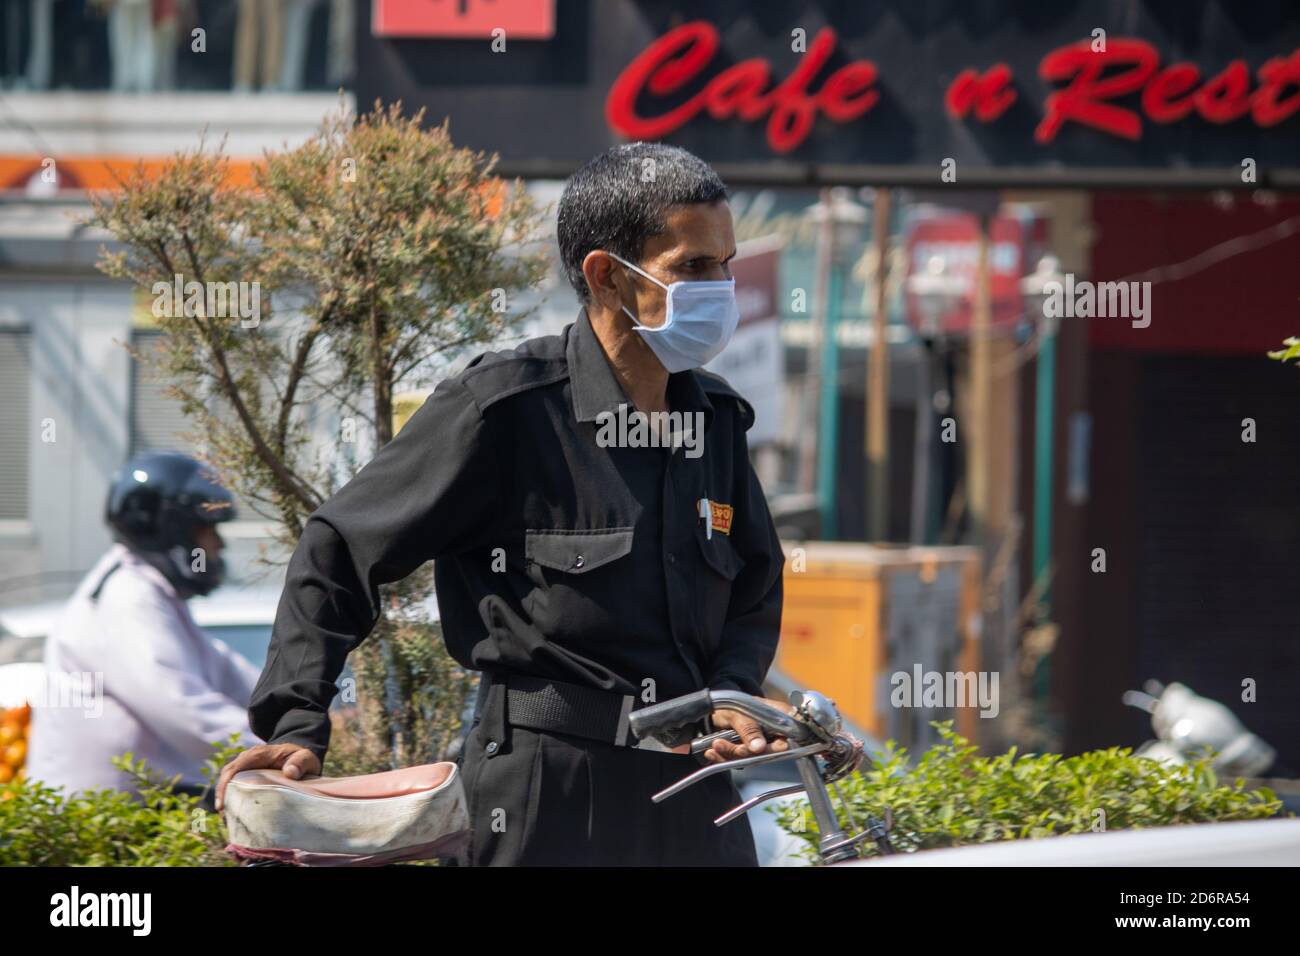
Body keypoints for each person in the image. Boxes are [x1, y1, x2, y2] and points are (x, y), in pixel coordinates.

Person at [217, 143, 789, 866]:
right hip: (545, 797)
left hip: (698, 793)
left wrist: (736, 690)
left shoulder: (716, 420)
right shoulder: (505, 409)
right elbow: (339, 546)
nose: (721, 288)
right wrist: (296, 724)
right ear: (606, 275)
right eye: (694, 267)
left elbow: (755, 581)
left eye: (726, 264)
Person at [26, 452, 262, 809]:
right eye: (207, 528)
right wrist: (274, 751)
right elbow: (181, 705)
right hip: (102, 828)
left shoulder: (154, 594)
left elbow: (234, 676)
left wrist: (297, 716)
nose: (219, 544)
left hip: (135, 810)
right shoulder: (127, 597)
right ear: (172, 529)